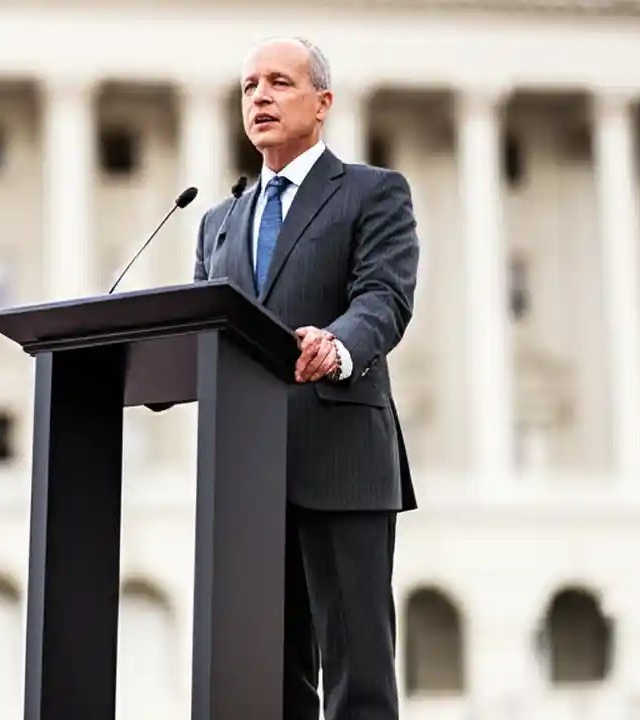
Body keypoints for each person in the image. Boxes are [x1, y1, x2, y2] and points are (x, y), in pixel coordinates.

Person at [193, 37, 419, 720]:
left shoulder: (372, 193)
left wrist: (338, 344)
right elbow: (203, 327)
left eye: (278, 83)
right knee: (268, 681)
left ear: (321, 104)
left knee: (359, 677)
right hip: (247, 475)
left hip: (341, 460)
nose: (258, 97)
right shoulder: (216, 221)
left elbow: (383, 297)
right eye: (248, 86)